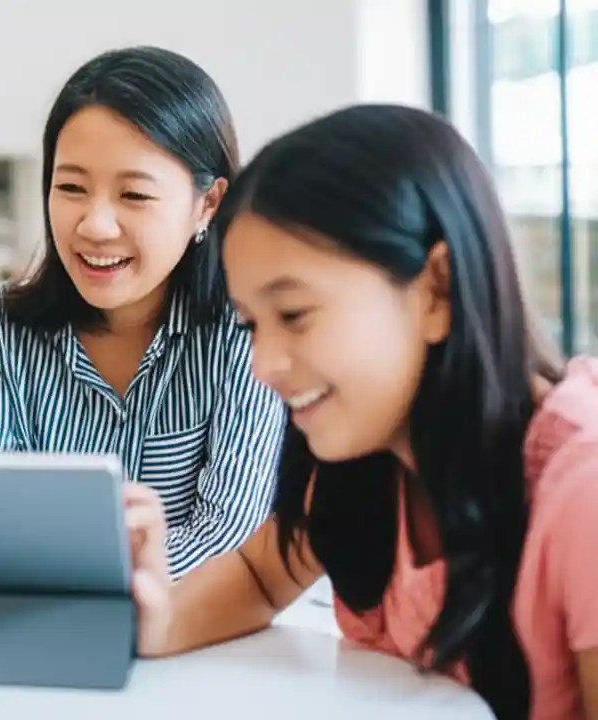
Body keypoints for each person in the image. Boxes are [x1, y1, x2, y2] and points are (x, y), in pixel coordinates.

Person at [124, 104, 598, 719]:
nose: (263, 365)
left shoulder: (580, 492)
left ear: (437, 290)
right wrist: (160, 618)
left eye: (293, 315)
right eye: (251, 325)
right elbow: (262, 577)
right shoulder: (369, 460)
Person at [0, 46, 285, 576]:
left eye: (134, 194)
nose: (95, 226)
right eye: (71, 187)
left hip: (198, 642)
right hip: (35, 633)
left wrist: (81, 576)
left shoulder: (243, 329)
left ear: (209, 203)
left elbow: (228, 533)